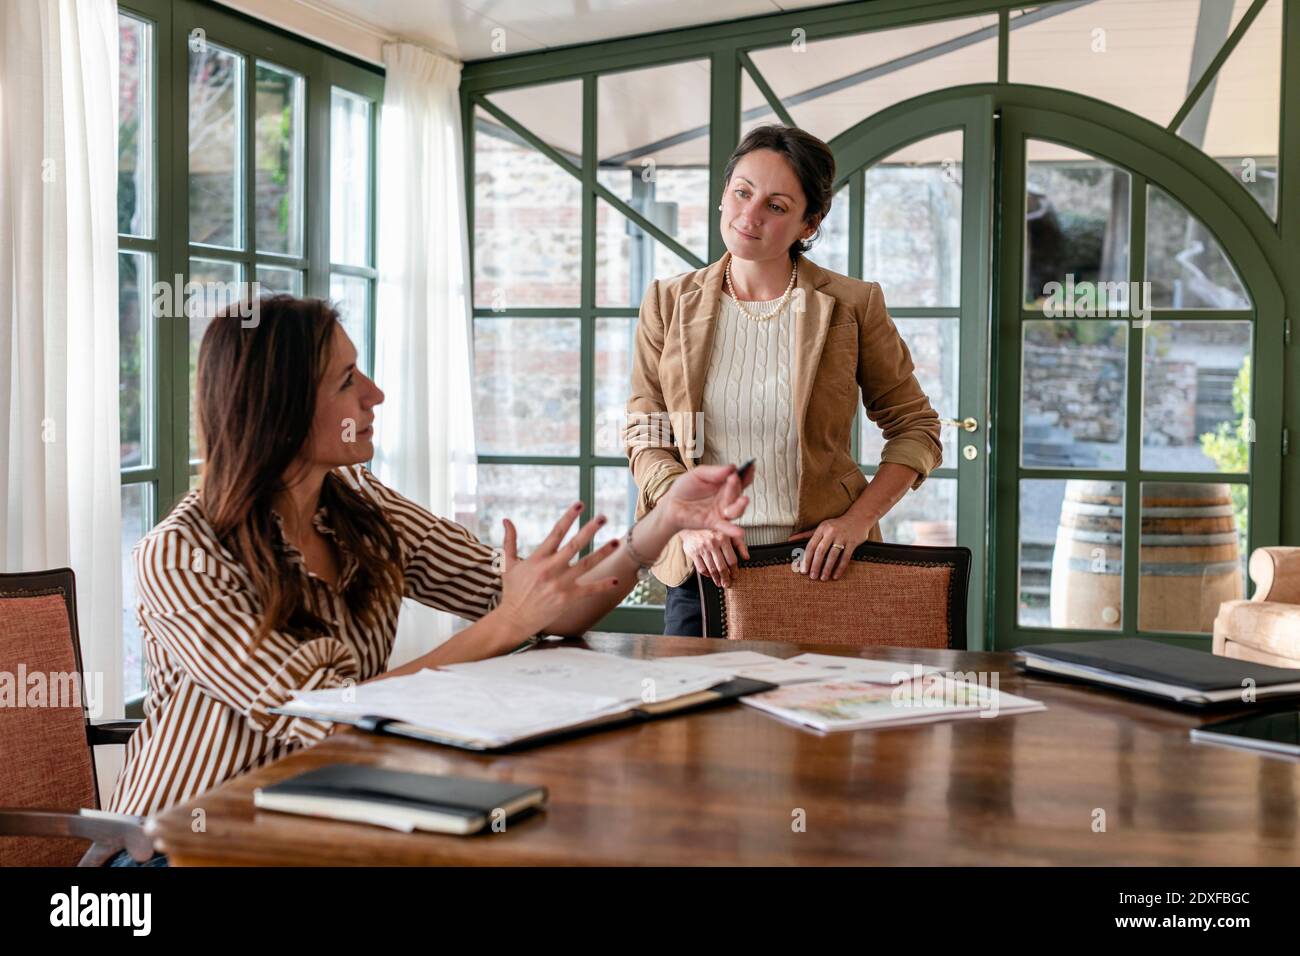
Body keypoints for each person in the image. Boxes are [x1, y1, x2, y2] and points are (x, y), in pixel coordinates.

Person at [104, 295, 753, 861]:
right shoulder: (182, 557)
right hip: (183, 847)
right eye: (346, 380)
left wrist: (665, 519)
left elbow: (548, 610)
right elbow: (331, 719)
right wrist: (509, 622)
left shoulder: (358, 503)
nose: (374, 394)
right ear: (280, 408)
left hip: (332, 814)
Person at [625, 124, 943, 637]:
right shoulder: (667, 302)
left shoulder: (854, 306)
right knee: (695, 716)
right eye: (741, 193)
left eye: (775, 206)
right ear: (723, 194)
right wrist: (688, 519)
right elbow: (648, 433)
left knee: (814, 714)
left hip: (820, 568)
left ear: (807, 223)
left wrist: (856, 522)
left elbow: (916, 428)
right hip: (702, 566)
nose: (748, 217)